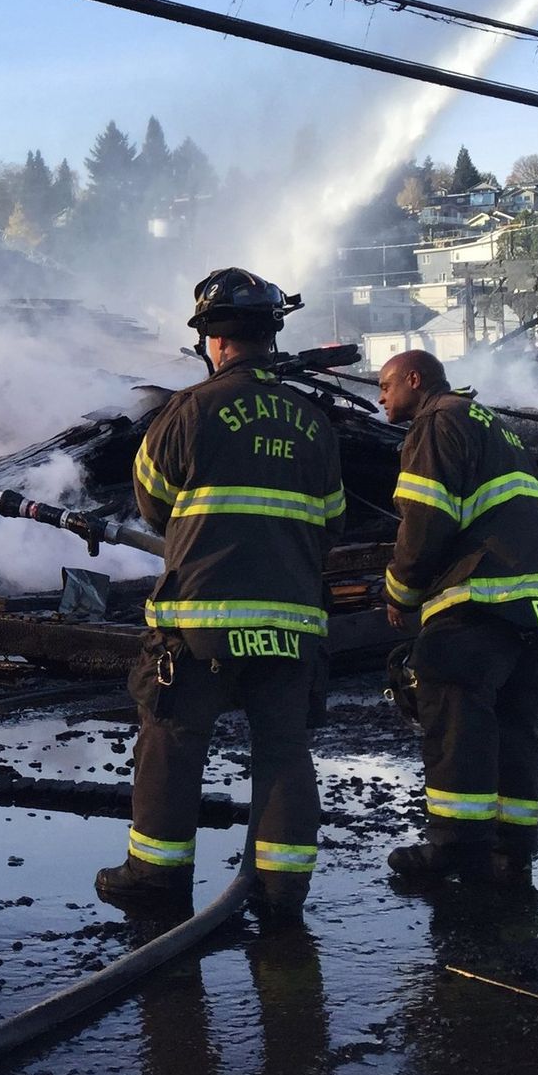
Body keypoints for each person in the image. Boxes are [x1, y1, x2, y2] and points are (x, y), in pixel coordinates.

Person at [95, 267, 345, 924]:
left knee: (173, 739)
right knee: (285, 749)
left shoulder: (187, 412)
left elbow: (153, 507)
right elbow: (332, 520)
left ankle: (155, 878)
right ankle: (282, 891)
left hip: (199, 621)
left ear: (212, 339)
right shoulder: (314, 423)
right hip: (291, 622)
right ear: (270, 335)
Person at [376, 349, 538, 884]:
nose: (381, 397)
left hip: (481, 597)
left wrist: (400, 591)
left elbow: (425, 520)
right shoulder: (493, 425)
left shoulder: (438, 423)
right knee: (513, 725)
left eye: (387, 385)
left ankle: (455, 847)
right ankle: (511, 850)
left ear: (415, 380)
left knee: (456, 717)